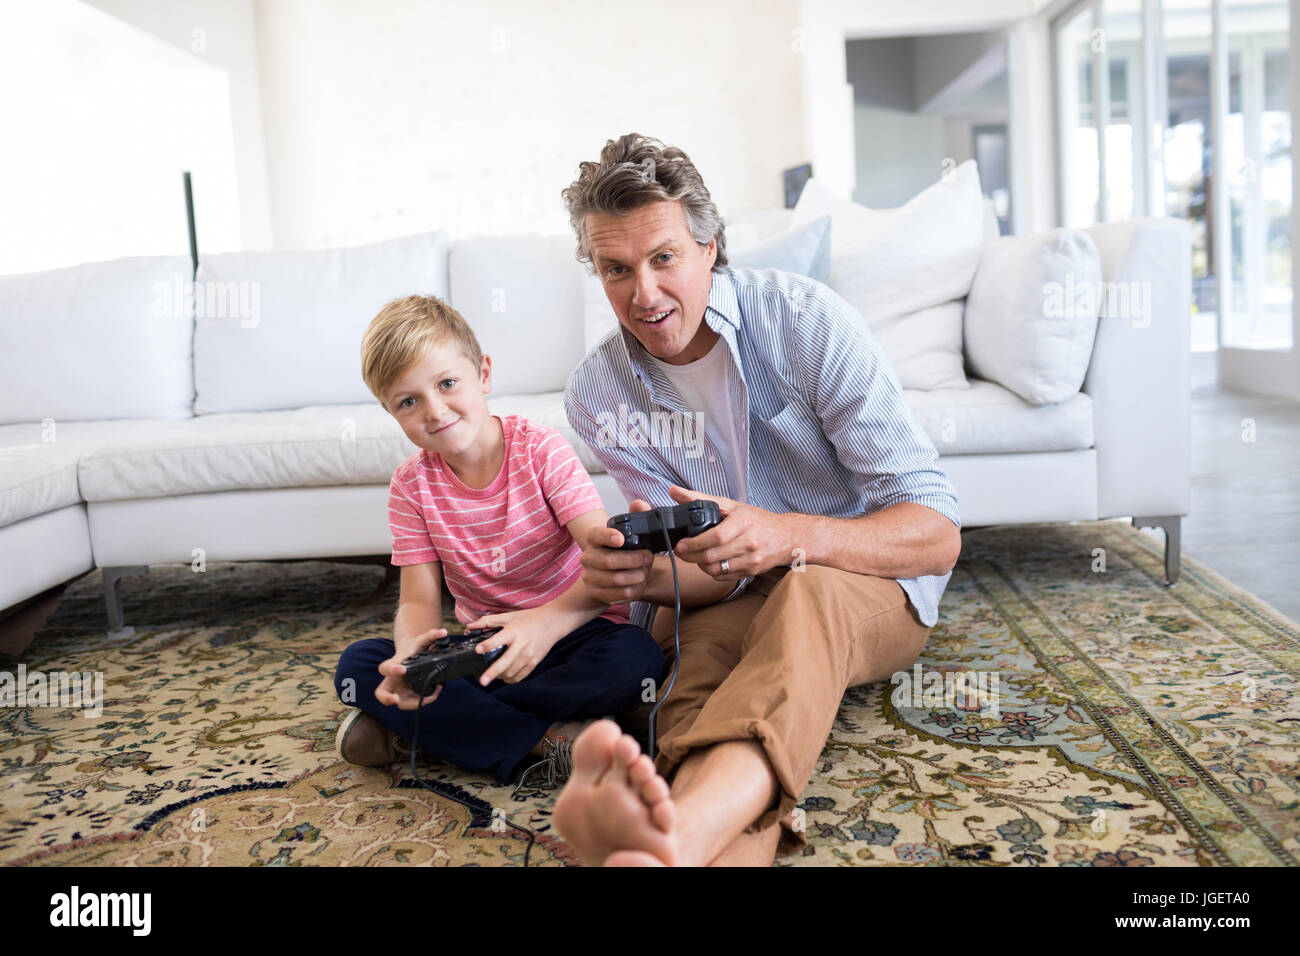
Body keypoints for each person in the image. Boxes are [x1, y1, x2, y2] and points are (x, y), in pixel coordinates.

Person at [551, 133, 962, 866]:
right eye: (617, 270)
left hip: (857, 582)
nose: (643, 295)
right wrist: (635, 577)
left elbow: (935, 534)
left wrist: (788, 536)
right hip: (728, 596)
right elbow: (695, 576)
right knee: (692, 679)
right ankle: (680, 845)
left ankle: (676, 841)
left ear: (709, 247)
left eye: (664, 258)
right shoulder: (598, 392)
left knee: (804, 593)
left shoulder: (806, 323)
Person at [333, 294, 666, 787]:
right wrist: (410, 656)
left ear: (483, 374)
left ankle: (422, 733)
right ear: (391, 412)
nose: (435, 410)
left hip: (575, 632)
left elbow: (604, 563)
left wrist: (544, 626)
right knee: (360, 665)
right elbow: (419, 600)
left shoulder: (540, 450)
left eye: (447, 384)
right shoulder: (410, 486)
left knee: (637, 659)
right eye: (408, 402)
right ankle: (547, 741)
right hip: (484, 648)